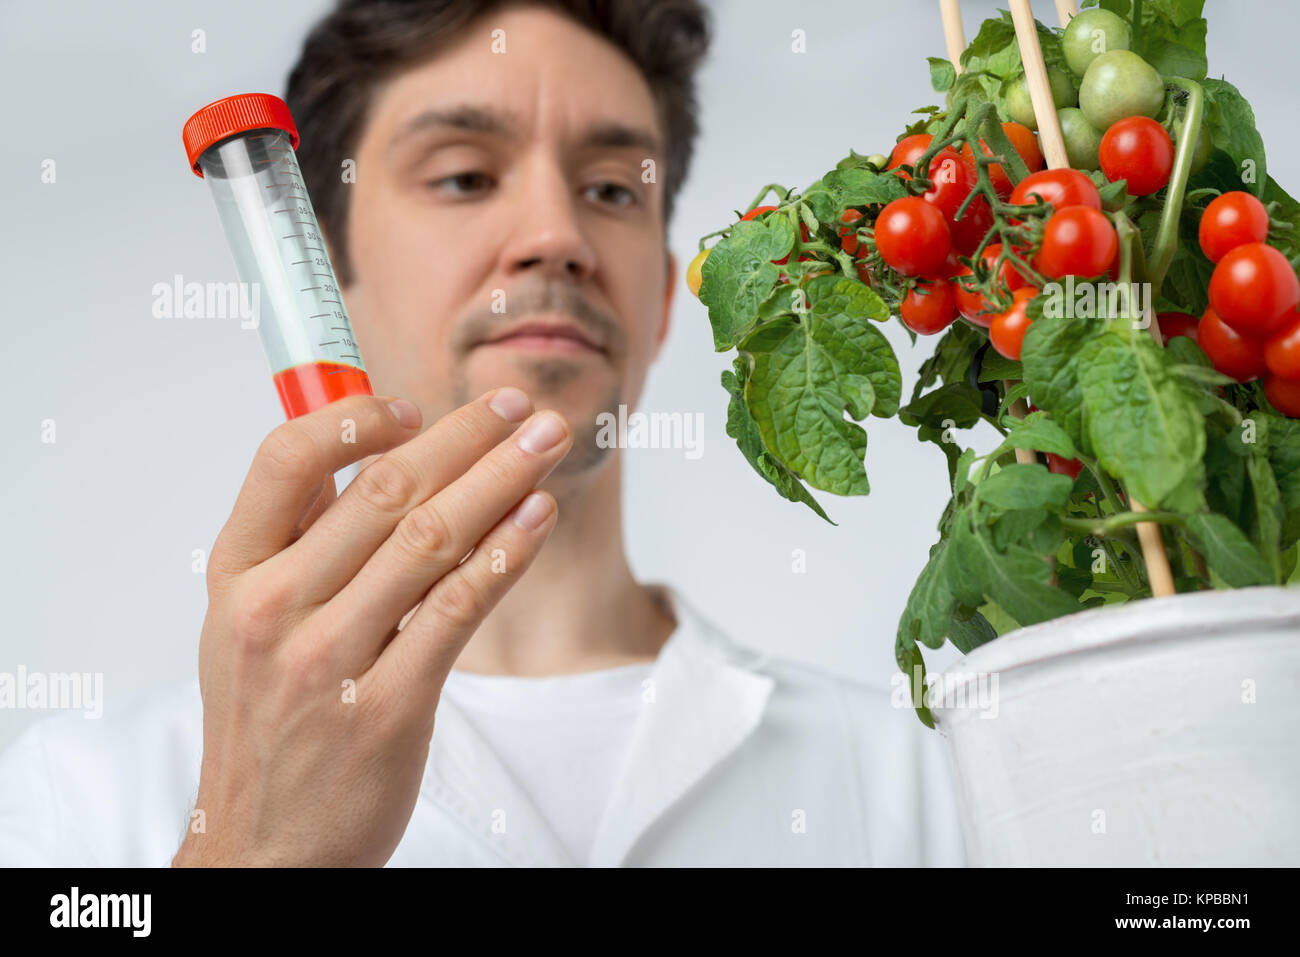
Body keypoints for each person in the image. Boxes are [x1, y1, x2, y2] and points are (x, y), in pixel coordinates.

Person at [0, 0, 967, 867]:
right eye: (465, 176)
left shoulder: (914, 782)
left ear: (670, 297)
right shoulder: (77, 798)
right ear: (318, 274)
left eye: (613, 189)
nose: (556, 234)